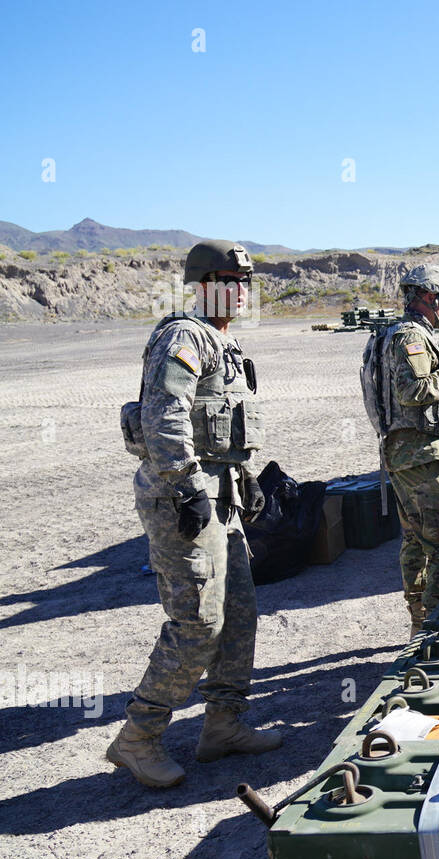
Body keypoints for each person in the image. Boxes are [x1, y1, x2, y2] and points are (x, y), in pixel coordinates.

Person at [110, 240, 279, 788]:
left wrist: (245, 475)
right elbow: (165, 414)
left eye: (245, 281)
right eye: (230, 279)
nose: (241, 290)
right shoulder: (185, 335)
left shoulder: (222, 341)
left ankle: (222, 725)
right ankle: (138, 738)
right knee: (198, 622)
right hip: (181, 493)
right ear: (203, 283)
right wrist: (185, 485)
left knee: (240, 613)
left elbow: (222, 424)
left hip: (220, 490)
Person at [373, 262, 439, 634]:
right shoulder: (410, 337)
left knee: (416, 539)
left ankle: (419, 622)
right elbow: (413, 391)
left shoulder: (388, 334)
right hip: (420, 455)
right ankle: (436, 624)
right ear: (429, 297)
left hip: (400, 454)